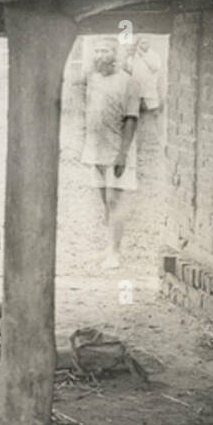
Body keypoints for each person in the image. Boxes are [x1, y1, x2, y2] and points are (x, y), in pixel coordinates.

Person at [80, 38, 142, 269]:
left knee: (115, 200)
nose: (99, 55)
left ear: (115, 54)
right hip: (96, 148)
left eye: (104, 50)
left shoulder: (128, 82)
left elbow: (131, 119)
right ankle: (108, 247)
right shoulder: (93, 79)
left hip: (118, 150)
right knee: (104, 202)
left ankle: (115, 253)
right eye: (96, 51)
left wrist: (123, 154)